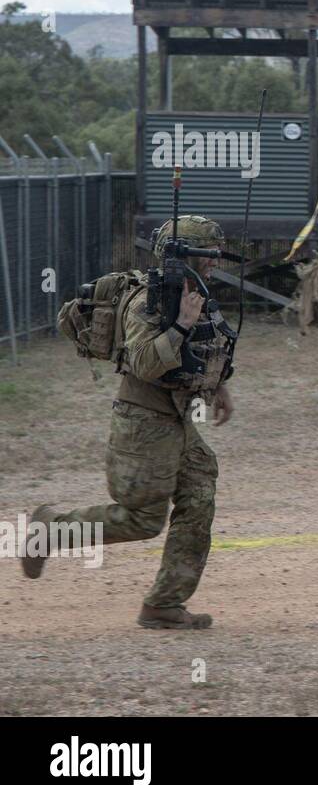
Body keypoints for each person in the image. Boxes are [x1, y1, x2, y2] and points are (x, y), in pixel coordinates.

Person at [22, 216, 235, 630]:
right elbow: (142, 362)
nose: (212, 263)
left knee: (200, 491)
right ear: (183, 255)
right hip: (143, 423)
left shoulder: (192, 295)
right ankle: (49, 532)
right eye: (205, 255)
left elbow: (202, 351)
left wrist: (219, 386)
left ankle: (164, 603)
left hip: (175, 418)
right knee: (142, 519)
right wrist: (181, 326)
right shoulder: (148, 302)